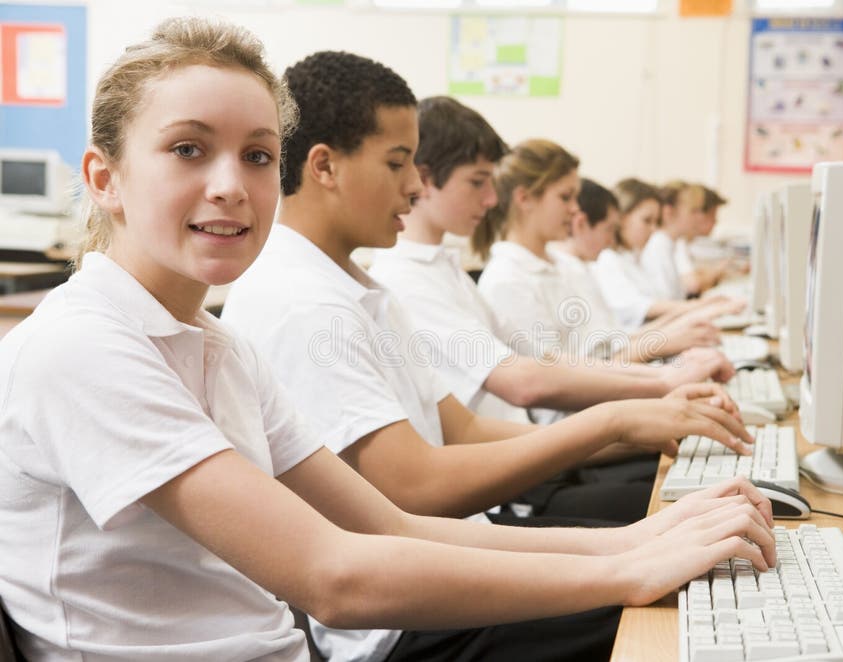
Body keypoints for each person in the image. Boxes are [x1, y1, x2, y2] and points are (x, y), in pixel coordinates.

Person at [0, 21, 776, 662]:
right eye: (188, 149)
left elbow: (388, 526)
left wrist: (635, 545)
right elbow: (332, 575)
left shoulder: (217, 347)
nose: (232, 183)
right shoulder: (84, 346)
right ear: (103, 179)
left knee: (700, 603)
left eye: (258, 155)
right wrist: (628, 569)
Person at [219, 49, 764, 661]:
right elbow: (416, 489)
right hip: (402, 628)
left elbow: (465, 429)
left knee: (694, 566)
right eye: (399, 164)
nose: (415, 186)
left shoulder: (361, 288)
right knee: (693, 605)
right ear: (324, 166)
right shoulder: (303, 304)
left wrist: (636, 531)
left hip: (446, 554)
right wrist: (620, 426)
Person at [369, 97, 734, 428]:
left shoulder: (446, 269)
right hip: (527, 458)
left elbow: (545, 360)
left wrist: (662, 381)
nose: (492, 198)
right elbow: (526, 384)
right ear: (426, 179)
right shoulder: (413, 279)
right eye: (478, 183)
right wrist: (660, 385)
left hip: (533, 444)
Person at [474, 140, 724, 366]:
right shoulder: (507, 282)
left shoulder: (566, 265)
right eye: (565, 197)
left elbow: (611, 344)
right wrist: (663, 347)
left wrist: (681, 330)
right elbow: (559, 385)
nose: (574, 209)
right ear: (524, 199)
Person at [594, 178, 735, 329]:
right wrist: (700, 307)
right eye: (647, 221)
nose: (654, 229)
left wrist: (701, 308)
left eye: (655, 221)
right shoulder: (608, 259)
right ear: (621, 217)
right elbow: (641, 308)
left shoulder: (633, 257)